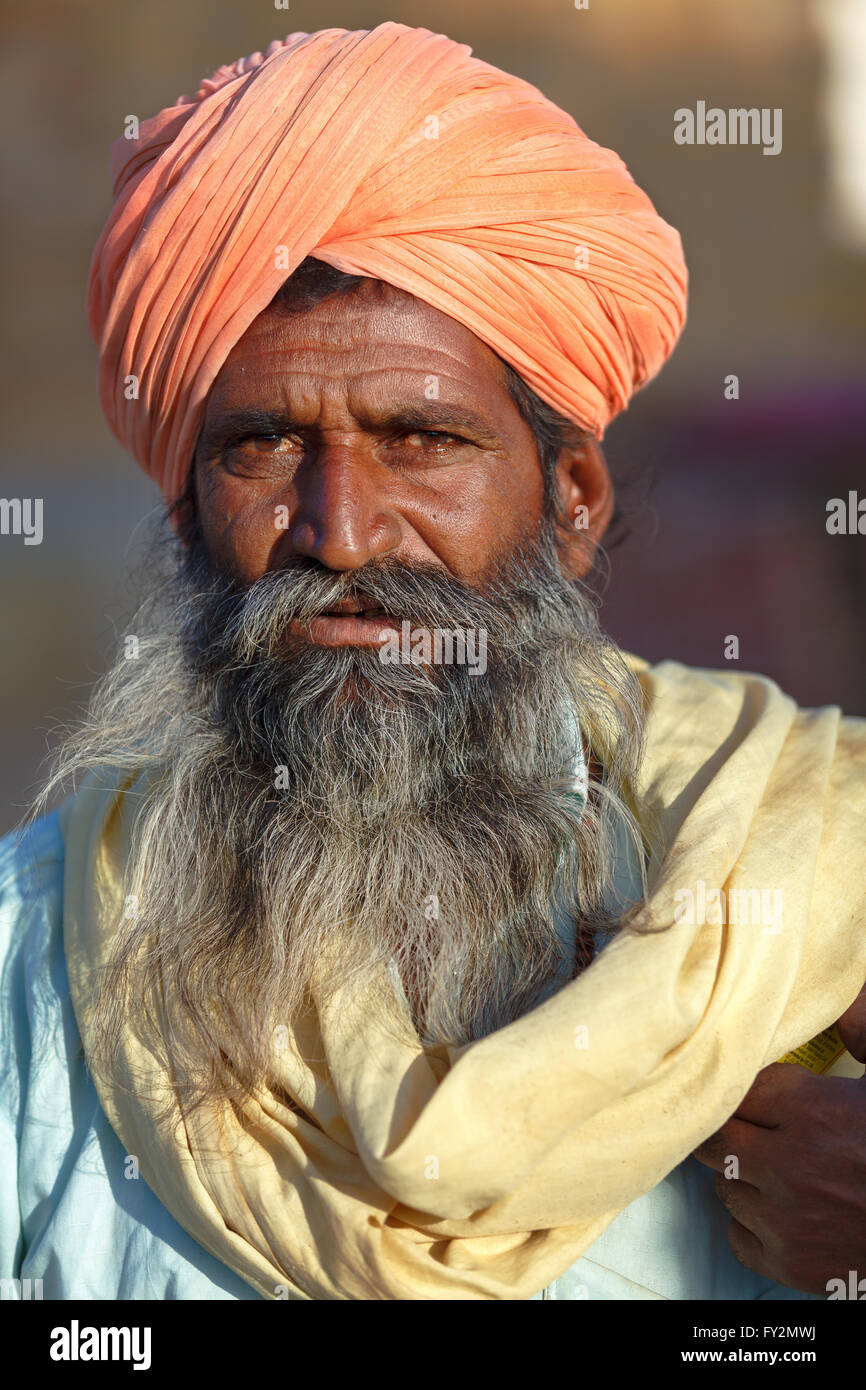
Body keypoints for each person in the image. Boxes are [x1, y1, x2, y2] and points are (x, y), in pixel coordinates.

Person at [2, 22, 864, 1302]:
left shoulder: (802, 873)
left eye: (420, 439)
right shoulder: (34, 961)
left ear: (570, 501)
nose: (339, 531)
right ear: (185, 508)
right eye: (263, 447)